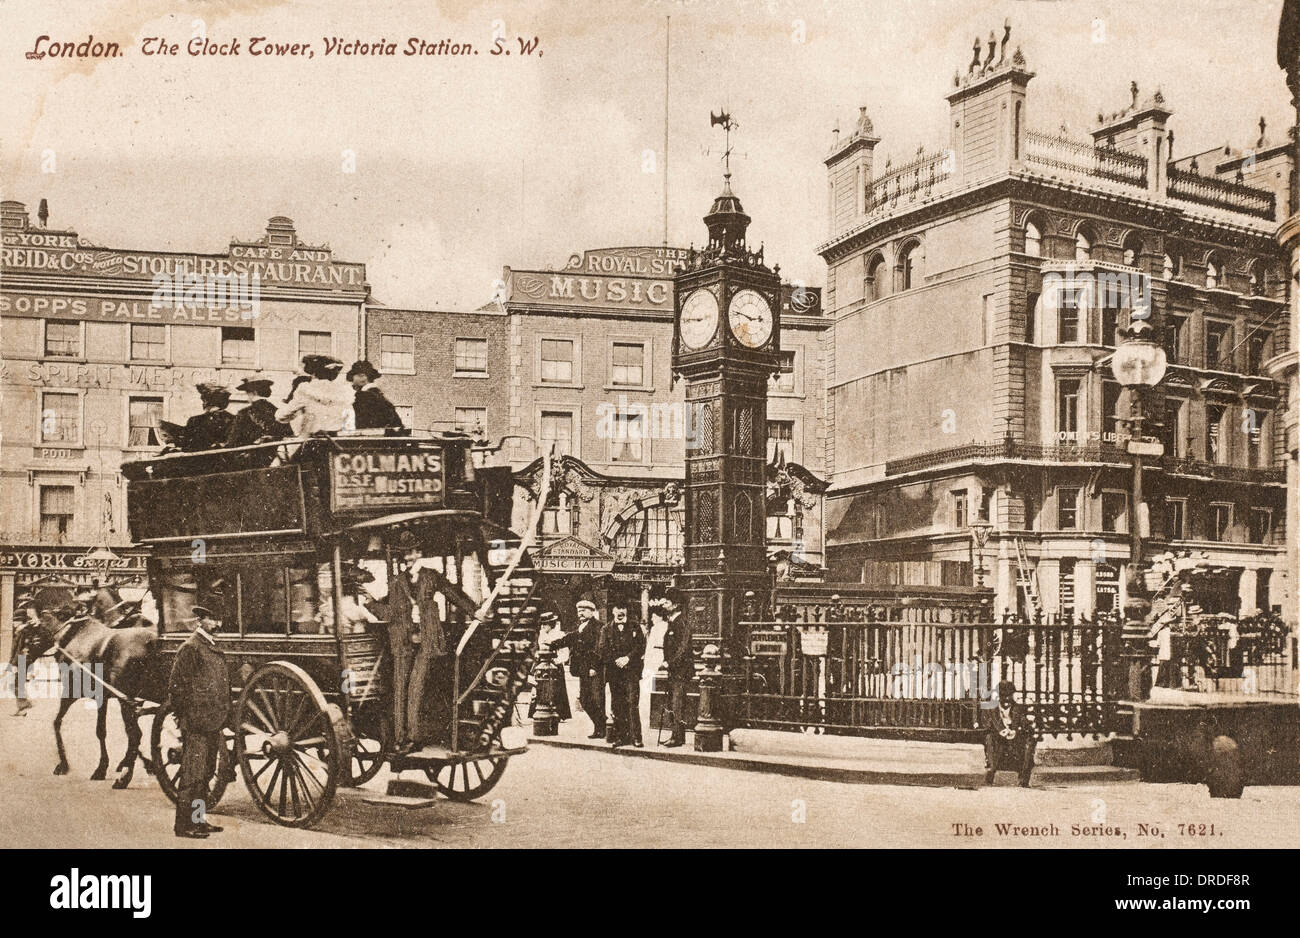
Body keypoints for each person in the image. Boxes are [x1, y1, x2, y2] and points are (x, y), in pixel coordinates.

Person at [167, 606, 231, 838]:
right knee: (192, 775)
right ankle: (184, 826)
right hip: (197, 722)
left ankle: (198, 820)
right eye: (212, 619)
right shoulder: (191, 648)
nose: (217, 624)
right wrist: (187, 718)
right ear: (200, 621)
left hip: (212, 720)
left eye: (219, 619)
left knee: (205, 773)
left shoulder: (211, 646)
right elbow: (176, 687)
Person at [548, 599, 605, 737]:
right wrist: (552, 644)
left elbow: (600, 649)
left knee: (596, 699)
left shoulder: (599, 627)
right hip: (583, 670)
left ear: (592, 611)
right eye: (579, 611)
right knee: (585, 700)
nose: (580, 613)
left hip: (593, 670)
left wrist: (594, 666)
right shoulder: (581, 627)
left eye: (584, 611)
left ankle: (602, 727)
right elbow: (569, 638)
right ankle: (600, 726)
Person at [599, 601, 646, 748]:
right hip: (615, 673)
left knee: (632, 703)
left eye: (622, 608)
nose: (620, 611)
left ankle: (636, 737)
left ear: (626, 610)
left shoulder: (635, 626)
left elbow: (641, 646)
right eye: (617, 608)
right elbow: (602, 649)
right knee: (617, 704)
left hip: (631, 672)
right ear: (613, 610)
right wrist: (616, 660)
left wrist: (628, 658)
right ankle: (621, 737)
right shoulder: (606, 629)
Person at [275, 355, 354, 436]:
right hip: (337, 441)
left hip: (313, 440)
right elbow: (349, 421)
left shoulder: (306, 389)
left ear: (313, 373)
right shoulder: (343, 391)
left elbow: (282, 416)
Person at [654, 596, 693, 747]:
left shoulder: (682, 622)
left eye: (667, 602)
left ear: (676, 605)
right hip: (674, 670)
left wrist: (669, 662)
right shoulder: (673, 622)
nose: (664, 605)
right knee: (673, 702)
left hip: (681, 671)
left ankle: (677, 737)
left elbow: (683, 649)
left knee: (677, 703)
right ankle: (676, 735)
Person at [983, 680, 1036, 788]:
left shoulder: (1018, 708)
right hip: (998, 738)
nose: (1007, 699)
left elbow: (1025, 724)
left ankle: (1023, 779)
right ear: (999, 695)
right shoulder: (991, 709)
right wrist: (1001, 730)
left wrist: (1016, 730)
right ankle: (991, 772)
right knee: (989, 738)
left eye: (1009, 695)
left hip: (1014, 738)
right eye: (1004, 695)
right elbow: (987, 725)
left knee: (1029, 741)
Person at [529, 612, 573, 723]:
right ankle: (537, 711)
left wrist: (557, 661)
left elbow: (564, 652)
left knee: (557, 689)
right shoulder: (541, 634)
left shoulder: (559, 635)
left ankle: (559, 713)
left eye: (546, 624)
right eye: (542, 624)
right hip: (542, 663)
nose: (543, 627)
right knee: (539, 687)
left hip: (555, 665)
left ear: (551, 624)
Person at [226, 376, 292, 449]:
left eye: (247, 392)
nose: (248, 396)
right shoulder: (277, 411)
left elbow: (233, 440)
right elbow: (288, 433)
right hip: (275, 453)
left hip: (250, 455)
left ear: (254, 392)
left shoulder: (245, 412)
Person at [346, 360, 403, 430]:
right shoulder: (378, 395)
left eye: (353, 378)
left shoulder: (364, 396)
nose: (352, 382)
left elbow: (363, 424)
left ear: (363, 377)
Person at [181, 384, 235, 451]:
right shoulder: (234, 419)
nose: (203, 404)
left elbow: (187, 442)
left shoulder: (195, 420)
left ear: (207, 402)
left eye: (204, 400)